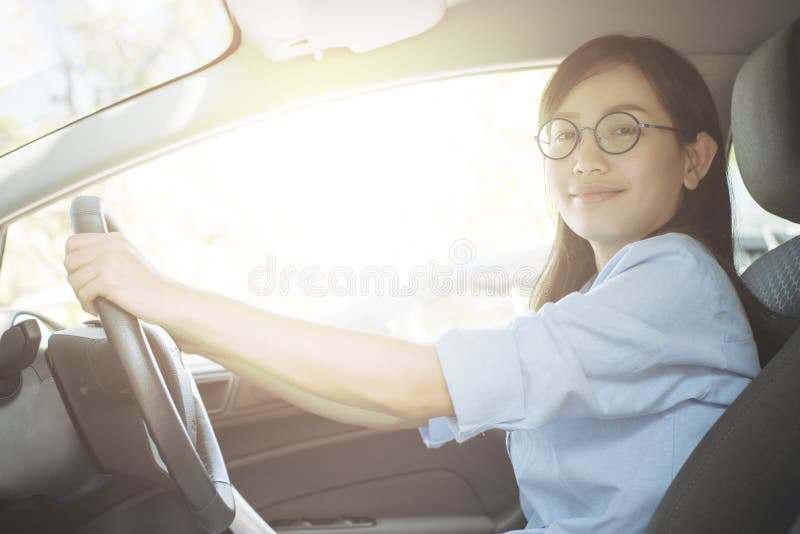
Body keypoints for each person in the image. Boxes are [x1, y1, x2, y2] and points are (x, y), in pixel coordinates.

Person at [63, 35, 787, 533]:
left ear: (695, 160)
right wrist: (181, 326)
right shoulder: (609, 300)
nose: (584, 160)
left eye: (621, 130)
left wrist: (166, 295)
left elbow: (411, 385)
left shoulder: (674, 284)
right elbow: (380, 406)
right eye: (563, 134)